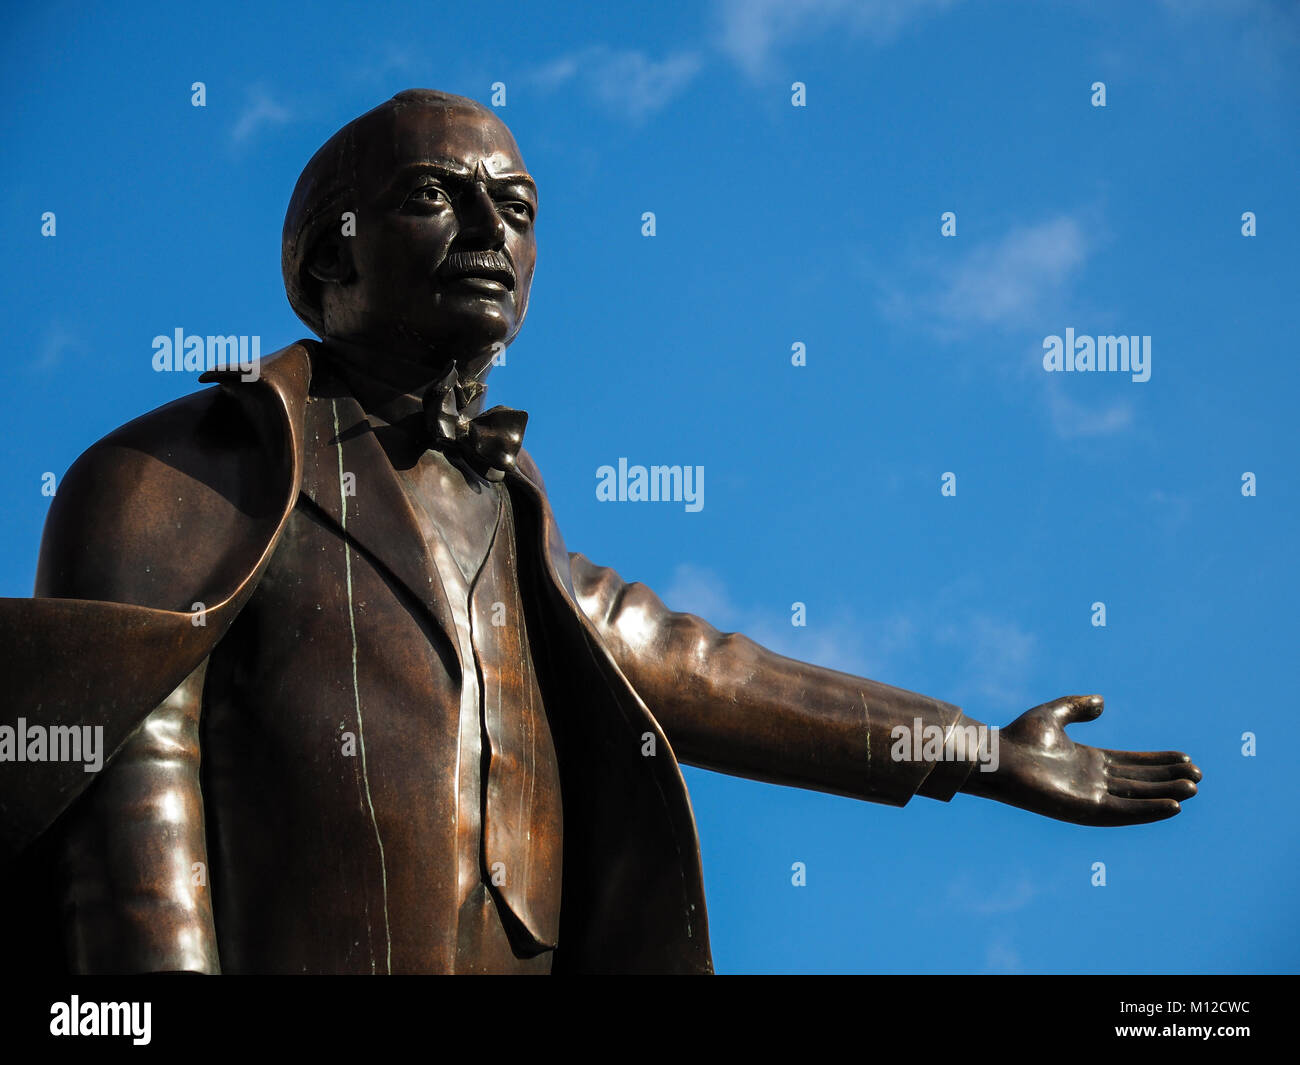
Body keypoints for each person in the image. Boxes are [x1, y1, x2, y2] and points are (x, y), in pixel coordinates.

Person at [0, 90, 1201, 974]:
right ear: (326, 261)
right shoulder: (177, 477)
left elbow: (708, 669)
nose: (489, 229)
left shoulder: (511, 517)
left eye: (515, 207)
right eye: (434, 196)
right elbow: (127, 835)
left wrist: (975, 751)